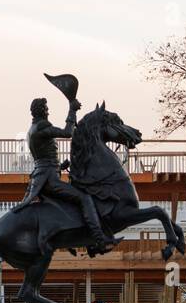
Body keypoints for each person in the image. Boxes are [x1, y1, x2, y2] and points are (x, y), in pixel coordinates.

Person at [14, 96, 117, 255]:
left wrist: (60, 166)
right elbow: (68, 132)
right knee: (84, 198)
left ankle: (79, 238)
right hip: (48, 180)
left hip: (45, 175)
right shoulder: (41, 127)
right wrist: (72, 110)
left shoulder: (33, 129)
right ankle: (99, 239)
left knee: (72, 202)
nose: (48, 111)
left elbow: (44, 159)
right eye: (46, 108)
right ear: (41, 111)